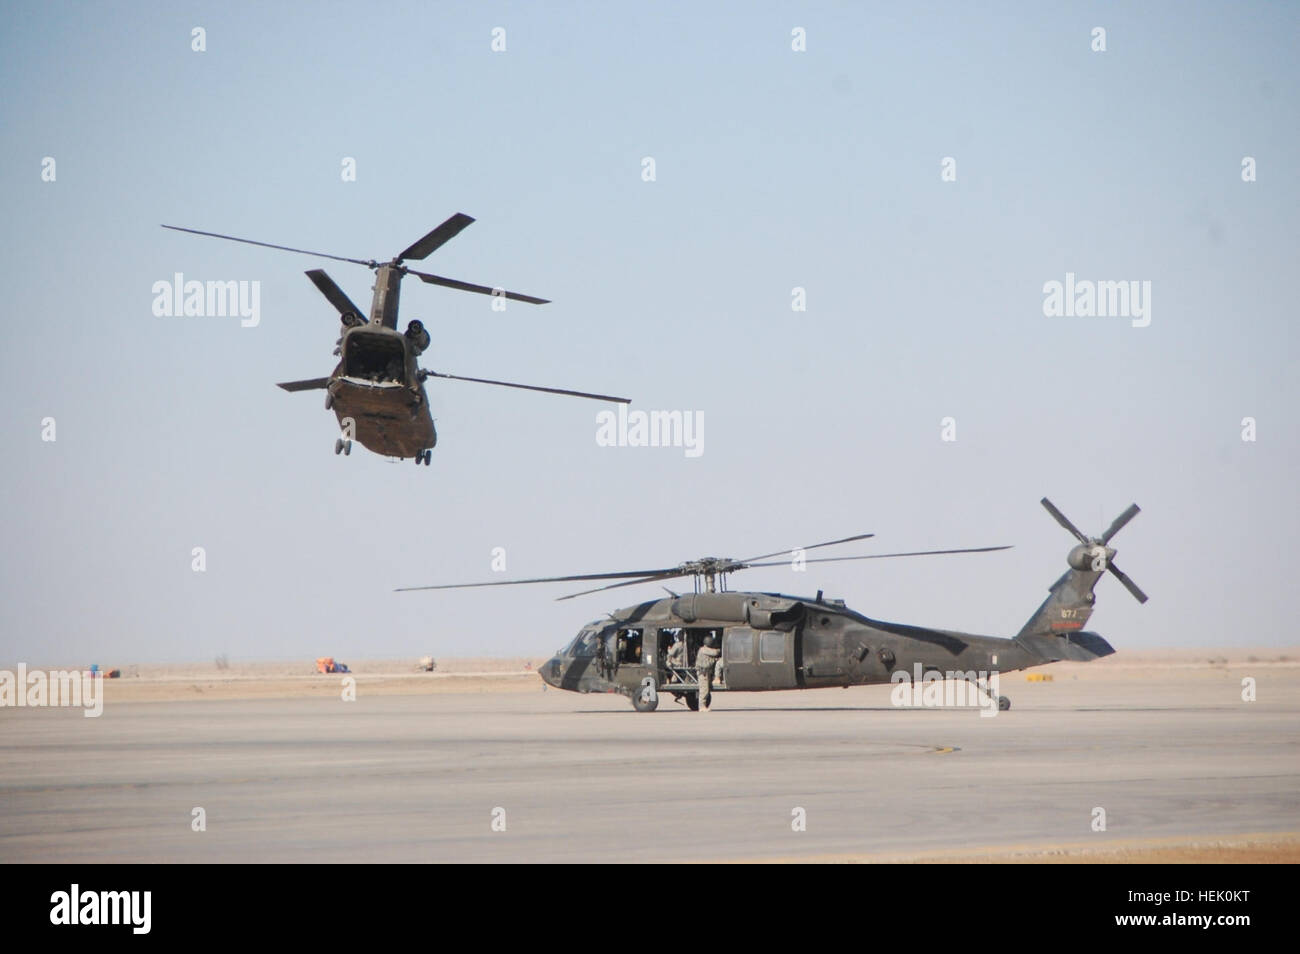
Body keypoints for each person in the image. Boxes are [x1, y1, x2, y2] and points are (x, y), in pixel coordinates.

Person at [695, 634, 721, 710]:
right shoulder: (704, 649)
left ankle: (703, 706)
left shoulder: (703, 649)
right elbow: (715, 653)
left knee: (705, 690)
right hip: (703, 673)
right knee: (704, 690)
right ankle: (702, 707)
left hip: (706, 673)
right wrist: (720, 649)